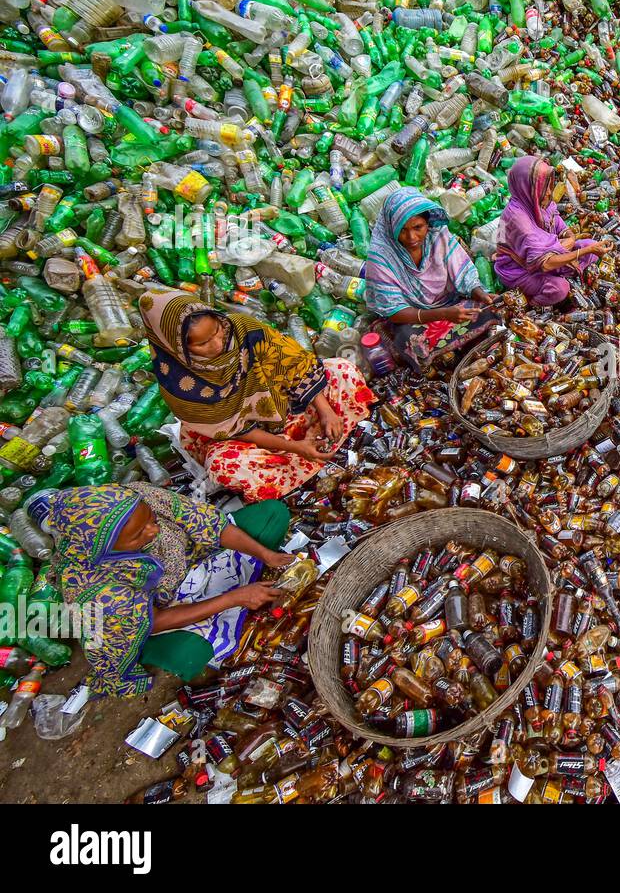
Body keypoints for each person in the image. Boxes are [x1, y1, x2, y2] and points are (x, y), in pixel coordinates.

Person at [37, 483, 295, 696]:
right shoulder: (93, 588)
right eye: (139, 534)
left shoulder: (140, 497)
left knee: (273, 514)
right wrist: (232, 598)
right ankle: (236, 600)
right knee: (191, 657)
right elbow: (154, 620)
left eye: (150, 518)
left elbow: (208, 524)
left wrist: (267, 555)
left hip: (197, 561)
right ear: (106, 547)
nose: (155, 529)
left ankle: (249, 584)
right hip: (157, 615)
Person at [139, 289, 374, 502]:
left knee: (342, 371)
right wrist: (295, 448)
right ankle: (299, 457)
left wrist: (326, 411)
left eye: (217, 330)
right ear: (176, 346)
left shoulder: (242, 328)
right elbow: (237, 430)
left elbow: (293, 366)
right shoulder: (179, 381)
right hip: (244, 438)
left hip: (287, 408)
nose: (218, 344)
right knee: (226, 466)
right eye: (203, 343)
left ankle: (316, 440)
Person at [366, 186, 498, 368]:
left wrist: (479, 293)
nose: (412, 236)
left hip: (451, 305)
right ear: (392, 227)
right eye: (402, 230)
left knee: (491, 308)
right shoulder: (381, 256)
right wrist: (443, 314)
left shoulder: (438, 235)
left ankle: (462, 350)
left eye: (418, 227)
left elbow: (463, 272)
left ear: (428, 223)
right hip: (413, 317)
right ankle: (450, 357)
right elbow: (395, 312)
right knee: (411, 341)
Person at [494, 155, 611, 307]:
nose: (549, 192)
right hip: (520, 270)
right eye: (544, 187)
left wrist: (570, 238)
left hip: (548, 254)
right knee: (560, 288)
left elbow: (560, 226)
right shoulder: (517, 218)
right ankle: (529, 304)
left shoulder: (539, 202)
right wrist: (582, 250)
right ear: (526, 187)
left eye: (549, 186)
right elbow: (546, 264)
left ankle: (564, 276)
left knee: (591, 245)